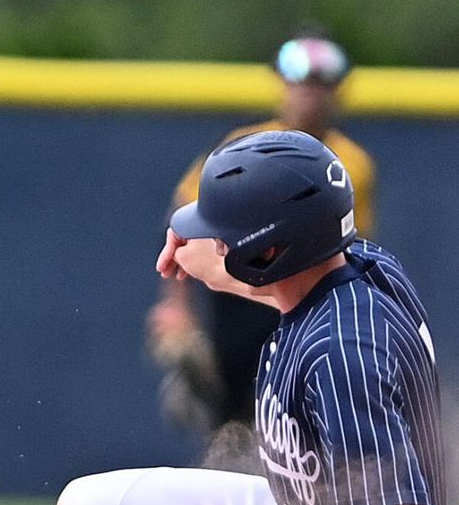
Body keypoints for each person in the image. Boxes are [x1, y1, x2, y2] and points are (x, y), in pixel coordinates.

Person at [56, 130, 459, 505]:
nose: (206, 236)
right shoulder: (359, 264)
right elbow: (285, 276)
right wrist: (213, 269)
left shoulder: (344, 353)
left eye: (223, 230)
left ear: (269, 250)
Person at [147, 31, 375, 467]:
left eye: (320, 84)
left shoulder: (355, 164)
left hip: (305, 308)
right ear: (282, 85)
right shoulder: (246, 144)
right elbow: (187, 217)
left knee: (303, 433)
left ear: (337, 92)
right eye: (300, 82)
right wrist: (178, 308)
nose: (309, 95)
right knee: (228, 429)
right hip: (238, 299)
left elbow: (356, 248)